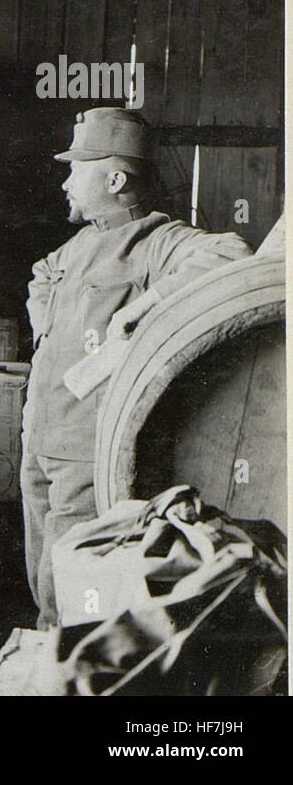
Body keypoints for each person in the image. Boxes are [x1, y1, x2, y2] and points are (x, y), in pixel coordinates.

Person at [21, 107, 252, 628]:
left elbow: (232, 253)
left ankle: (75, 672)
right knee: (44, 574)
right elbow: (41, 278)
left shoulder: (158, 242)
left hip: (89, 447)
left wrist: (144, 309)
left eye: (75, 168)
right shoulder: (75, 247)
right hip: (40, 438)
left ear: (116, 177)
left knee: (79, 588)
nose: (65, 181)